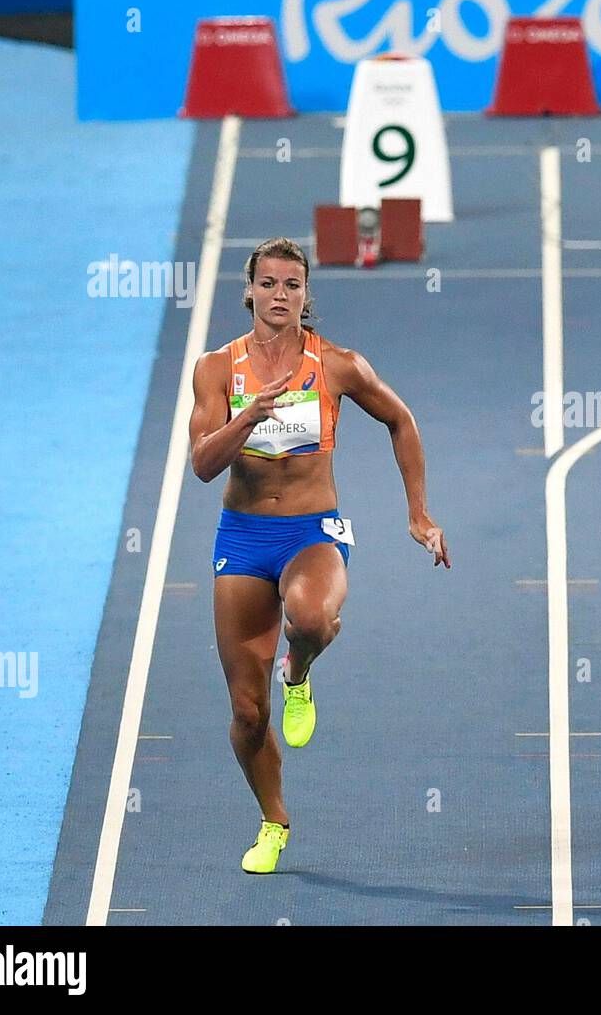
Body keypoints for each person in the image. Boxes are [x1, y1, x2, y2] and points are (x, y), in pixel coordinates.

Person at [188, 237, 450, 872]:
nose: (281, 296)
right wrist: (247, 418)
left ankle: (298, 671)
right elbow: (202, 466)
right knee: (247, 712)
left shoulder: (335, 364)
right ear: (249, 290)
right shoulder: (217, 369)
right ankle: (273, 821)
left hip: (312, 531)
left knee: (309, 618)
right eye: (270, 284)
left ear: (307, 294)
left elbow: (402, 420)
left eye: (293, 285)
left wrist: (417, 511)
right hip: (244, 538)